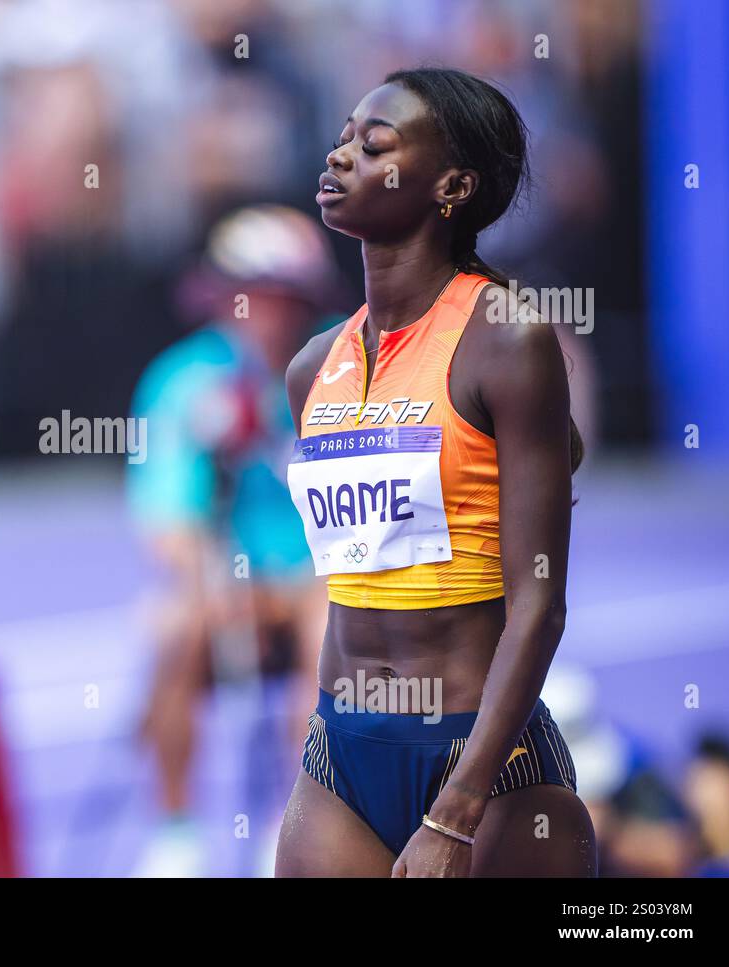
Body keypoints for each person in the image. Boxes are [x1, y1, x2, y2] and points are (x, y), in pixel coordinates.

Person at [275, 68, 596, 877]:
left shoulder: (506, 342)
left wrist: (455, 813)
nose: (342, 153)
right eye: (343, 135)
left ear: (452, 185)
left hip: (483, 765)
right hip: (342, 753)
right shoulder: (314, 368)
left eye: (373, 144)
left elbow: (540, 603)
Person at [127, 205, 343, 877]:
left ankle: (294, 827)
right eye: (245, 292)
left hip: (326, 582)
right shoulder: (182, 381)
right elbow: (168, 522)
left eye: (280, 293)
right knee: (170, 626)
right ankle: (176, 834)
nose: (262, 310)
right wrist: (213, 586)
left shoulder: (348, 367)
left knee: (328, 623)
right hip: (229, 587)